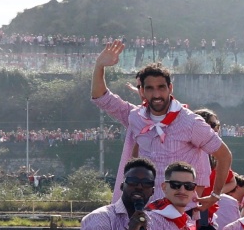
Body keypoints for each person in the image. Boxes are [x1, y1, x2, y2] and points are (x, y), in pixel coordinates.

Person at [91, 40, 231, 205]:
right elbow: (101, 98)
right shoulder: (135, 117)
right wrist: (99, 66)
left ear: (170, 88)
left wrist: (214, 195)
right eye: (150, 88)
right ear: (141, 91)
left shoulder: (190, 122)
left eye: (161, 87)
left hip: (177, 212)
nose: (156, 94)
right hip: (142, 208)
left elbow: (224, 155)